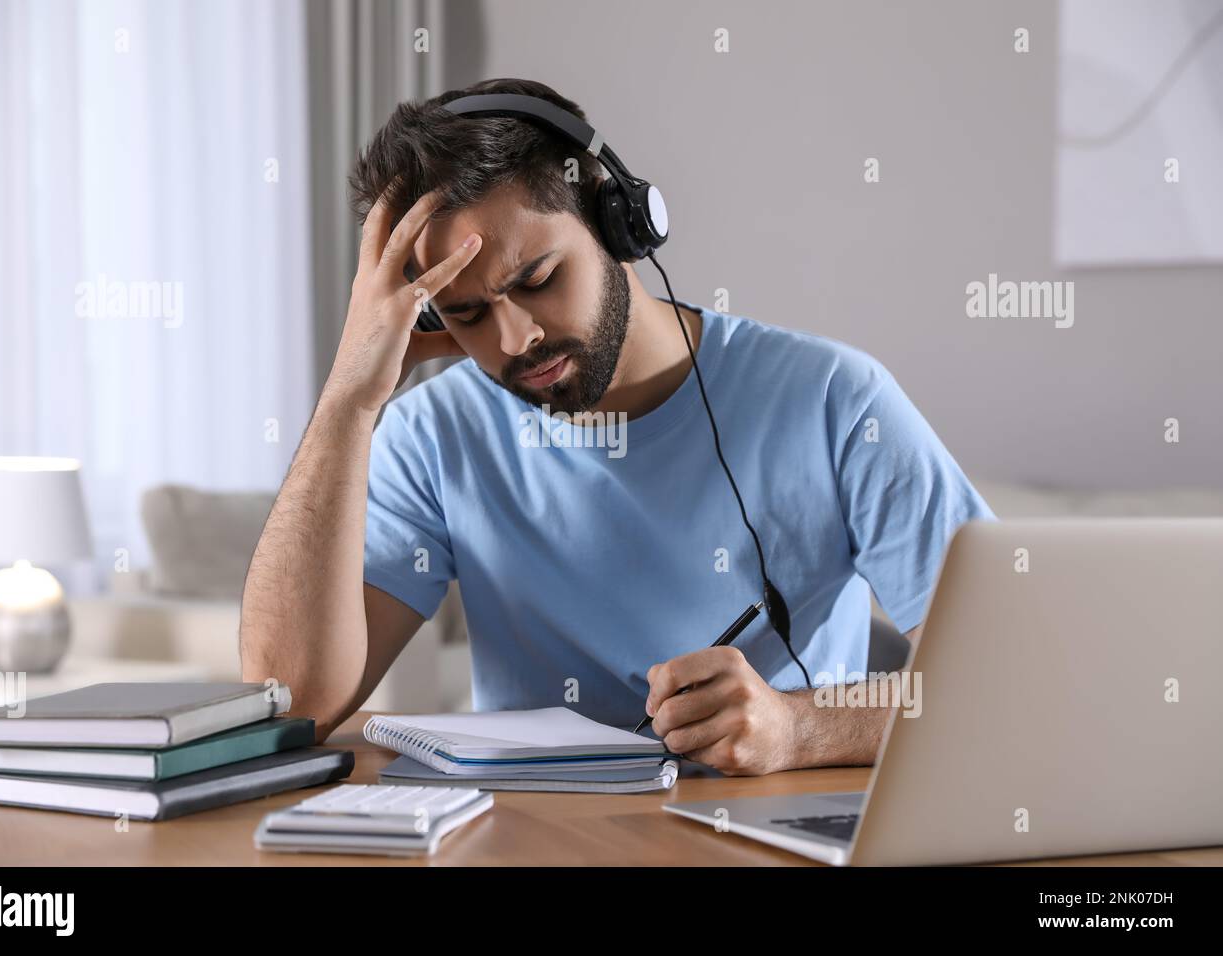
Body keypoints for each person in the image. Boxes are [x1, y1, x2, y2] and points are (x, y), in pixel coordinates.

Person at [240, 77, 995, 775]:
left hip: (778, 828)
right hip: (536, 843)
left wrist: (800, 728)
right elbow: (292, 702)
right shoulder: (432, 436)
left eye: (537, 280)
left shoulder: (835, 400)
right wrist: (348, 401)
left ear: (619, 223)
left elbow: (1008, 677)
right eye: (466, 314)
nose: (513, 341)